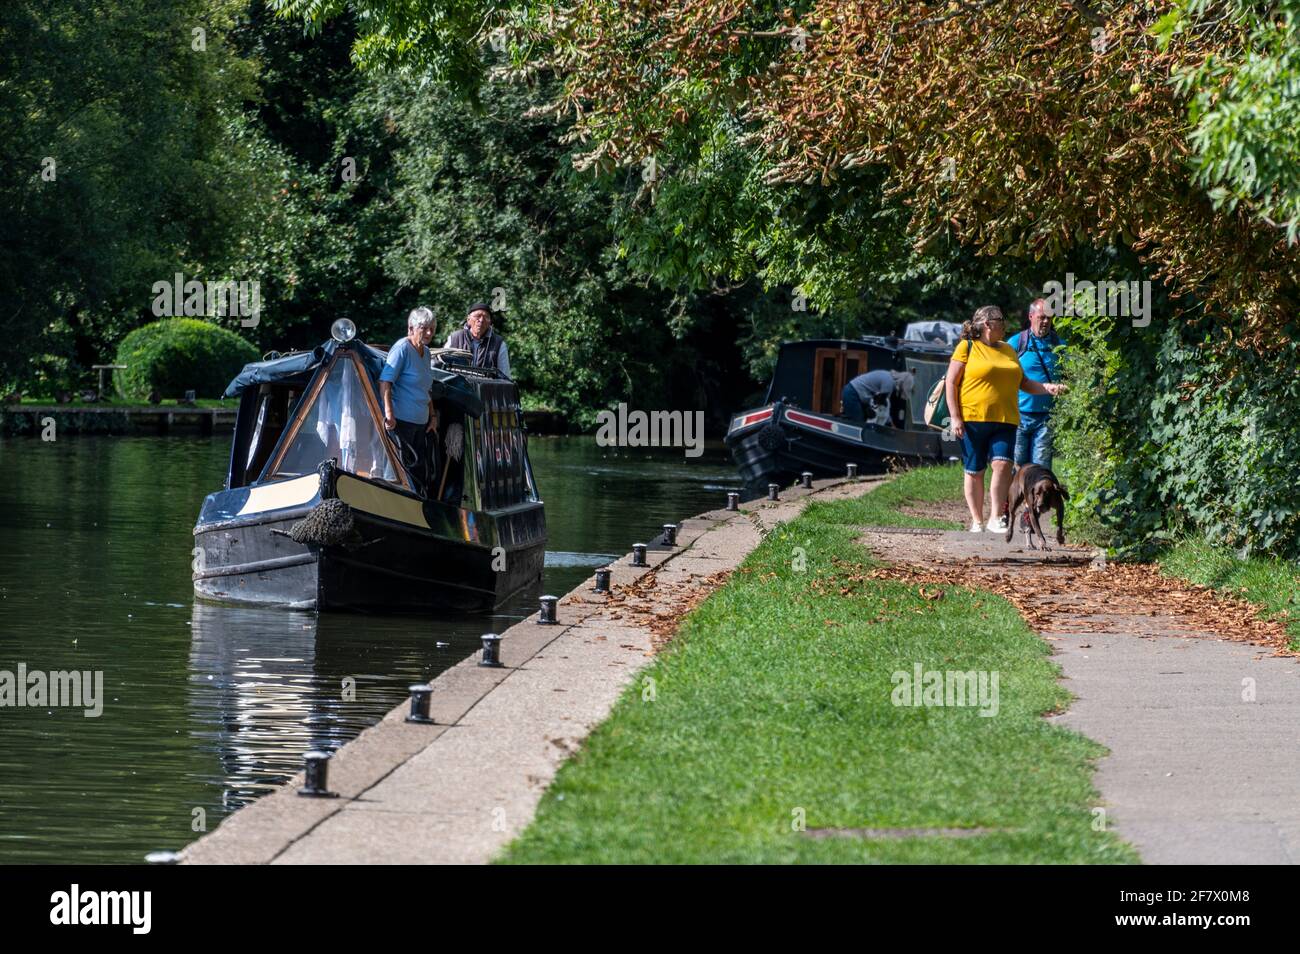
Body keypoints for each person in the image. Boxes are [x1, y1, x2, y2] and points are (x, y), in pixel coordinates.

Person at [945, 305, 1065, 534]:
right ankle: (977, 520)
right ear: (988, 324)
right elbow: (952, 382)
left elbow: (1024, 383)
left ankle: (996, 517)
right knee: (975, 471)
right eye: (1001, 319)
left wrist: (1048, 388)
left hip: (1006, 419)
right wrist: (955, 417)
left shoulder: (1008, 350)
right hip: (973, 418)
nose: (1005, 323)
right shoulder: (967, 347)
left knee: (1003, 464)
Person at [380, 306, 438, 489]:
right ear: (411, 328)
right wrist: (389, 414)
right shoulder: (402, 349)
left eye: (432, 328)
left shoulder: (427, 353)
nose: (429, 332)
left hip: (421, 423)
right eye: (424, 328)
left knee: (419, 471)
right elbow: (385, 381)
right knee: (402, 473)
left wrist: (433, 417)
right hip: (401, 423)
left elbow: (426, 388)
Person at [1010, 298, 1063, 469]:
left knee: (1041, 467)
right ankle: (1013, 497)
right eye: (1042, 317)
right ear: (1031, 316)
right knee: (1017, 466)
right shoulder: (1016, 343)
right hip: (1018, 416)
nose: (1046, 321)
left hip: (1047, 417)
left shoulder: (1059, 345)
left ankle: (1038, 497)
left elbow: (1073, 374)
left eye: (1049, 317)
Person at [445, 302, 511, 378]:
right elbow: (442, 368)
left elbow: (505, 377)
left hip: (486, 388)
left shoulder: (499, 344)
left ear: (489, 322)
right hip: (458, 388)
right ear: (468, 319)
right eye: (477, 316)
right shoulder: (454, 338)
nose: (481, 320)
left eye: (486, 317)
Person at [841, 369, 915, 426]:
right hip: (852, 393)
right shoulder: (889, 383)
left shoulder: (889, 378)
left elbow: (878, 403)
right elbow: (882, 407)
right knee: (859, 425)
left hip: (856, 393)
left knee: (862, 421)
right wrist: (891, 424)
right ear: (902, 383)